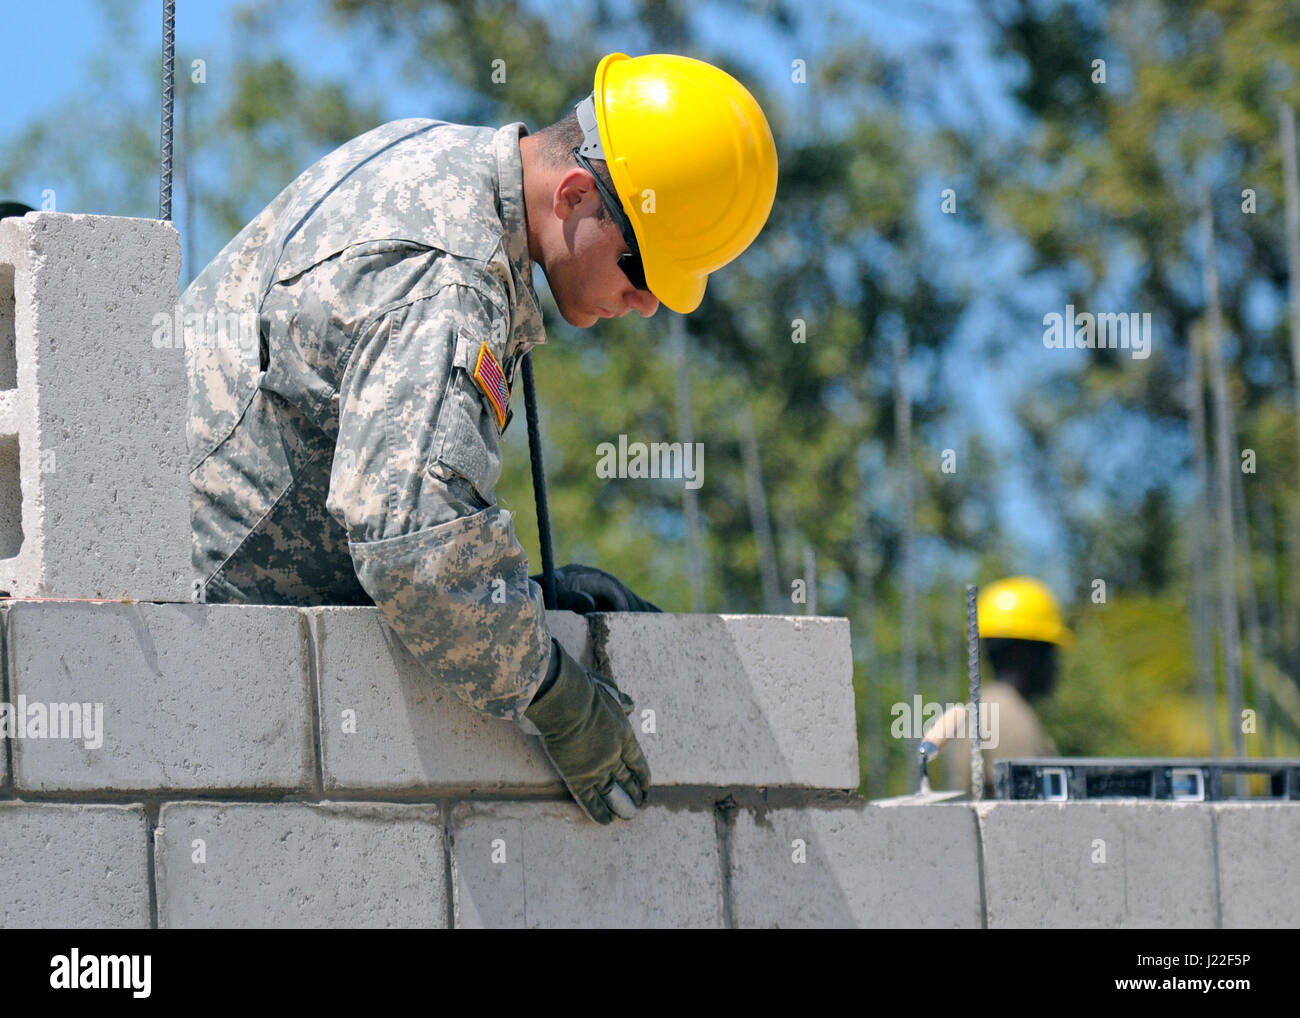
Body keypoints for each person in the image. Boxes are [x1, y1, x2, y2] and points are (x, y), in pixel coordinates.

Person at [181, 52, 778, 825]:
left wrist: (523, 595)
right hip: (194, 628)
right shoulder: (449, 276)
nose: (647, 303)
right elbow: (415, 544)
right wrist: (557, 697)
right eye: (642, 269)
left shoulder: (440, 161)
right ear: (574, 195)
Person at [945, 577, 1072, 793]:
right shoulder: (1010, 720)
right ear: (1021, 653)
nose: (1056, 665)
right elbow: (1026, 818)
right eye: (1050, 651)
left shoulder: (987, 706)